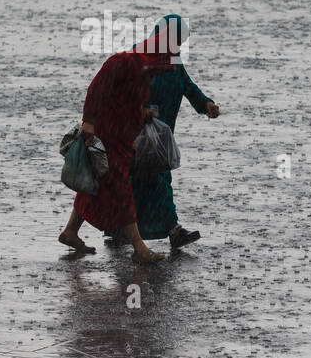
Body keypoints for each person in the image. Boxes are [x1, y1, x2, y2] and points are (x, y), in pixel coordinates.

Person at [58, 30, 177, 264]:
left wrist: (144, 114)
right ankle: (139, 248)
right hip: (106, 138)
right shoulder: (120, 63)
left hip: (122, 140)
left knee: (95, 186)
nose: (162, 73)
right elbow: (96, 90)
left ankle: (70, 232)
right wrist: (89, 123)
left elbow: (128, 100)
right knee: (122, 190)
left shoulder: (144, 74)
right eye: (163, 66)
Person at [124, 15, 220, 250]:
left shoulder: (173, 60)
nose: (179, 45)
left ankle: (123, 229)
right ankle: (173, 231)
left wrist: (206, 104)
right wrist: (138, 109)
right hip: (138, 131)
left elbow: (187, 86)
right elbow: (123, 88)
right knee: (154, 179)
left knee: (148, 180)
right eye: (176, 39)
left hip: (163, 134)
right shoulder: (140, 55)